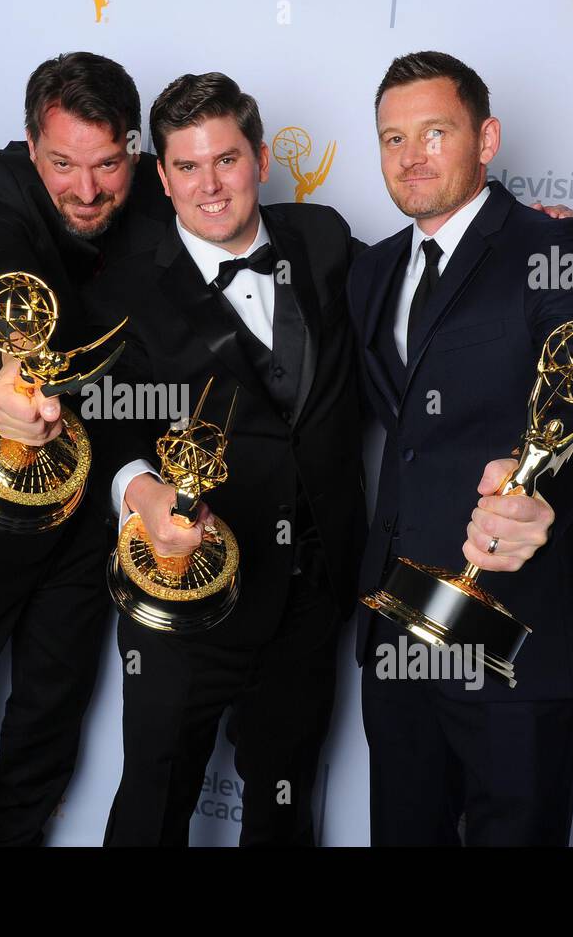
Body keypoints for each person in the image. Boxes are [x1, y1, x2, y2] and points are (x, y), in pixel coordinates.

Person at [349, 50, 573, 846]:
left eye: (435, 132)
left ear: (486, 140)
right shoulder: (370, 270)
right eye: (392, 138)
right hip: (403, 625)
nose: (411, 156)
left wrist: (540, 488)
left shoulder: (554, 244)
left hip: (518, 627)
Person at [0, 52, 173, 846]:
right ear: (29, 144)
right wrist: (17, 372)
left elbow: (245, 222)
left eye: (108, 164)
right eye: (63, 164)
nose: (87, 190)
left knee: (50, 710)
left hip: (84, 509)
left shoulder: (158, 193)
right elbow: (4, 292)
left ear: (135, 151)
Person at [81, 72, 367, 846]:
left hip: (309, 590)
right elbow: (107, 418)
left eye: (227, 160)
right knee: (156, 793)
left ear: (262, 158)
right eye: (186, 166)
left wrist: (521, 237)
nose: (210, 185)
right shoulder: (124, 289)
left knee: (284, 797)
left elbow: (421, 280)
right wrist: (139, 490)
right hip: (187, 587)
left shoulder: (325, 239)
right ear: (162, 176)